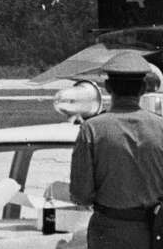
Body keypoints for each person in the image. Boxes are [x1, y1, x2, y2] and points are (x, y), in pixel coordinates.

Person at [69, 52, 163, 249]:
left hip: (108, 232)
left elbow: (81, 194)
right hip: (155, 232)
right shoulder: (160, 127)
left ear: (108, 87)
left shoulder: (92, 129)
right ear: (144, 88)